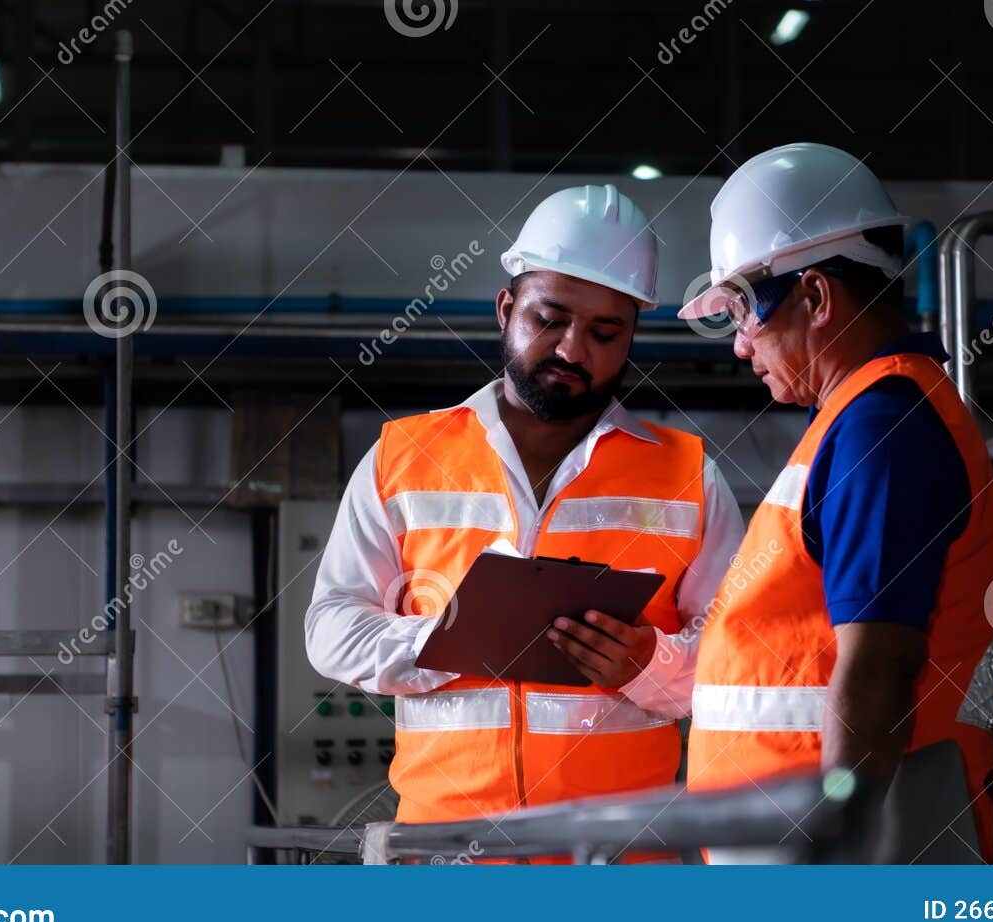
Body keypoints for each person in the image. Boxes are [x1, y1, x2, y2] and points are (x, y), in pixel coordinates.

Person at [307, 184, 745, 831]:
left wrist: (649, 664)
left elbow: (738, 655)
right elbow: (330, 629)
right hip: (443, 855)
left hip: (615, 860)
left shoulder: (688, 474)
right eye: (549, 319)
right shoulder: (403, 457)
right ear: (506, 308)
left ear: (632, 337)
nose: (572, 350)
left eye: (605, 332)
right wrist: (446, 640)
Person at [677, 143, 993, 860]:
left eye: (744, 310)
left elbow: (879, 663)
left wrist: (837, 844)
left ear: (816, 297)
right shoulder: (853, 421)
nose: (740, 346)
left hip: (857, 854)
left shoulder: (881, 427)